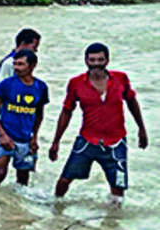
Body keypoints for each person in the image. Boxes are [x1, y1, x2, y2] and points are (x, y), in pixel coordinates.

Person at [49, 43, 148, 206]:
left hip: (116, 142)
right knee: (64, 180)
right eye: (92, 60)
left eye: (100, 60)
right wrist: (55, 142)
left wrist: (142, 129)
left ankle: (112, 224)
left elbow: (132, 102)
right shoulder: (76, 83)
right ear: (86, 61)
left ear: (107, 60)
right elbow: (67, 111)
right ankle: (56, 209)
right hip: (87, 140)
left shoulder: (120, 79)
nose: (96, 64)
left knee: (118, 189)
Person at [0, 50, 48, 187]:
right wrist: (1, 134)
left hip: (25, 138)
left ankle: (17, 207)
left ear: (32, 66)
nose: (16, 68)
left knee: (23, 179)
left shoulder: (41, 87)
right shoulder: (6, 85)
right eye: (15, 64)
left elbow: (39, 114)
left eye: (21, 64)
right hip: (6, 135)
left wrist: (34, 137)